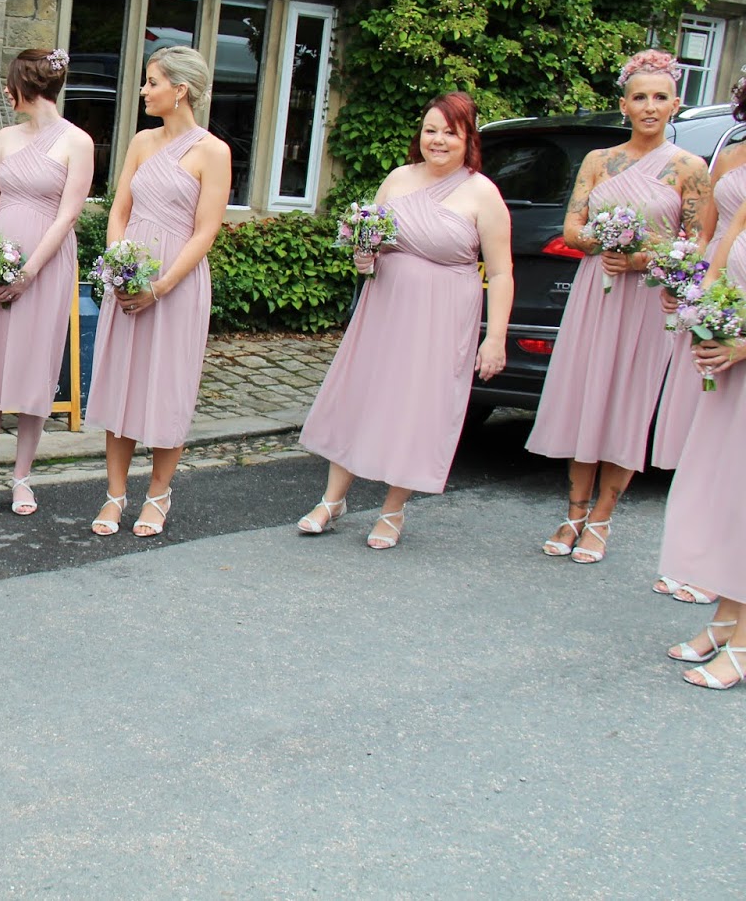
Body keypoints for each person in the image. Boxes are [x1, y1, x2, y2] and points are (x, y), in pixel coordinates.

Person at [295, 92, 514, 548]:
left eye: (450, 133)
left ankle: (393, 510)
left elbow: (500, 270)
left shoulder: (482, 193)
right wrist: (363, 255)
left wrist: (495, 339)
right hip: (385, 306)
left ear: (467, 137)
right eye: (431, 130)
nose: (438, 140)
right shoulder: (397, 179)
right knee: (362, 394)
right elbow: (373, 242)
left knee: (417, 405)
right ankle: (333, 499)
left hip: (443, 316)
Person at [525, 49, 713, 564]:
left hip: (649, 300)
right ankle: (573, 511)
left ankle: (602, 518)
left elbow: (697, 244)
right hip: (596, 291)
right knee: (587, 396)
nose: (649, 106)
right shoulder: (598, 161)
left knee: (627, 404)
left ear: (675, 104)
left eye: (660, 97)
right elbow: (571, 227)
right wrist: (600, 242)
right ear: (624, 105)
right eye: (639, 98)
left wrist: (641, 260)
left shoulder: (690, 169)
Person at [85, 46, 231, 538]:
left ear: (180, 89)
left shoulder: (213, 151)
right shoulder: (142, 142)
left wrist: (161, 285)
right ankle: (114, 494)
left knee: (167, 386)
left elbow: (205, 231)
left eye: (152, 82)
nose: (144, 90)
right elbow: (118, 211)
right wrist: (120, 269)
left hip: (178, 284)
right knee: (122, 383)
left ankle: (159, 494)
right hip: (130, 279)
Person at [0, 48, 93, 517]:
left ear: (28, 86)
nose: (5, 89)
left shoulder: (77, 142)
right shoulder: (4, 137)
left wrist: (29, 272)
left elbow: (69, 214)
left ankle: (21, 477)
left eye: (10, 81)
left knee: (34, 369)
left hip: (46, 266)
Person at [647, 80, 745, 602]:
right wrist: (687, 290)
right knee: (707, 452)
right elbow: (708, 235)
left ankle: (726, 582)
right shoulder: (731, 154)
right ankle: (702, 563)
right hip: (721, 305)